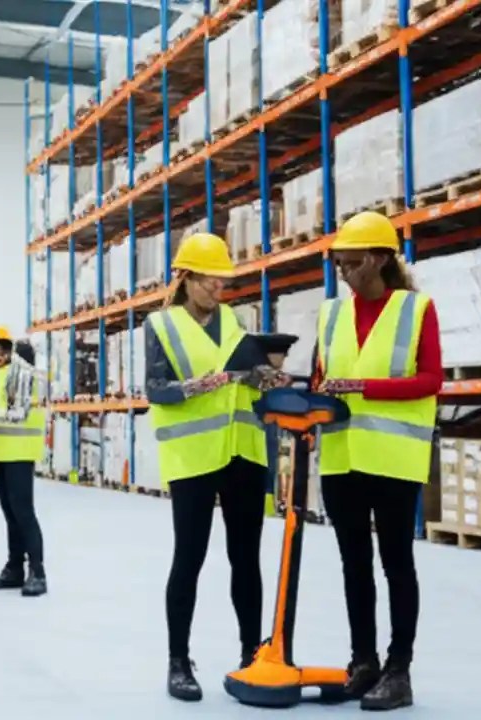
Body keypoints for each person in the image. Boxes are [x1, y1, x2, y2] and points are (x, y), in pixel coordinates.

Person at [144, 233, 292, 702]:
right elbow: (156, 390)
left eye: (223, 283)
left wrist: (266, 377)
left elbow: (252, 391)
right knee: (189, 558)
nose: (217, 291)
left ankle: (253, 654)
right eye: (209, 282)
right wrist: (211, 381)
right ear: (185, 279)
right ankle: (178, 661)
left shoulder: (239, 324)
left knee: (245, 560)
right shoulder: (161, 326)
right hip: (193, 459)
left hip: (243, 455)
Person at [310, 211, 441, 711]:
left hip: (392, 459)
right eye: (339, 264)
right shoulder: (330, 314)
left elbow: (431, 380)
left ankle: (399, 670)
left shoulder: (416, 310)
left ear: (381, 259)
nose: (344, 273)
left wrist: (365, 387)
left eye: (352, 263)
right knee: (353, 566)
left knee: (396, 564)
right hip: (341, 459)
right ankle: (362, 661)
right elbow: (321, 381)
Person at [0, 325, 48, 597]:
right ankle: (15, 568)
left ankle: (37, 572)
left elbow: (18, 413)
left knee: (23, 512)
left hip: (20, 451)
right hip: (1, 452)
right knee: (10, 513)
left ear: (1, 349)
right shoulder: (0, 376)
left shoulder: (25, 374)